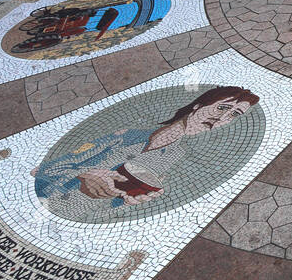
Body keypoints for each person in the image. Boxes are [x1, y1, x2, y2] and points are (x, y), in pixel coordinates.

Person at [33, 86, 260, 220]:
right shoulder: (127, 133)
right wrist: (82, 176)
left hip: (74, 215)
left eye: (234, 115)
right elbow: (43, 169)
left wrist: (126, 202)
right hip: (46, 202)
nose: (221, 119)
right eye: (222, 108)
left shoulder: (177, 159)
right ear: (198, 105)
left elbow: (110, 209)